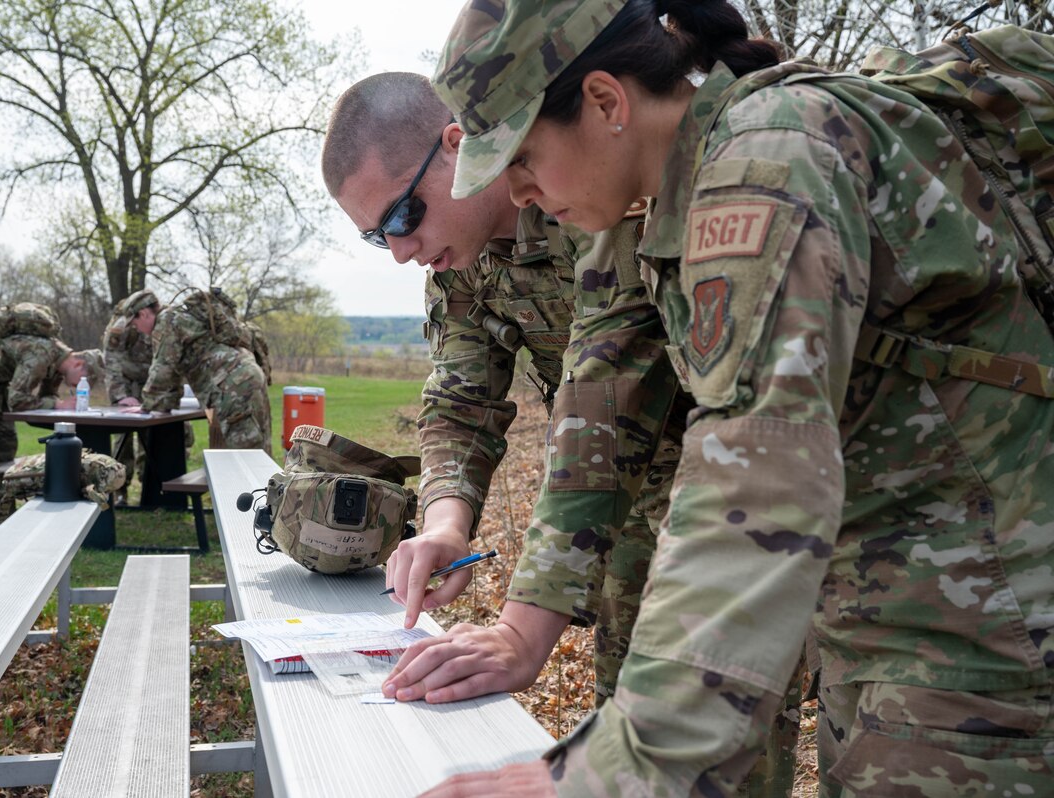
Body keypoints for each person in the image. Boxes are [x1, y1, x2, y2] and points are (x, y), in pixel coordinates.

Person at [390, 1, 1054, 795]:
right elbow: (594, 408)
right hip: (891, 629)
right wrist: (523, 626)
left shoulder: (763, 162)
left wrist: (603, 773)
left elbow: (759, 477)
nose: (522, 194)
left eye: (526, 157)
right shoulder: (660, 203)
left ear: (605, 102)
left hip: (981, 643)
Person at [322, 71, 685, 705]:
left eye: (404, 215)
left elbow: (604, 397)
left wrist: (520, 630)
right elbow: (462, 404)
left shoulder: (588, 198)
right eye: (378, 236)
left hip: (718, 497)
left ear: (458, 146)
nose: (402, 251)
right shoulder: (460, 260)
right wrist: (444, 526)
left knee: (716, 733)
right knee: (629, 714)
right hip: (615, 512)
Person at [0, 321, 94, 531]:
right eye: (84, 380)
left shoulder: (56, 362)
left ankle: (4, 515)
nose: (80, 386)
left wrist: (56, 403)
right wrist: (59, 404)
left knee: (6, 444)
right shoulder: (41, 354)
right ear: (78, 364)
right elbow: (18, 400)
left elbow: (44, 396)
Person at [137, 287, 272, 454]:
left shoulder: (166, 321)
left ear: (143, 314)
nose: (137, 329)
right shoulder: (183, 315)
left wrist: (146, 407)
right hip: (248, 373)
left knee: (244, 456)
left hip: (231, 387)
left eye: (135, 323)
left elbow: (163, 368)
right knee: (261, 450)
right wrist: (165, 404)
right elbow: (173, 374)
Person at [101, 288, 194, 501]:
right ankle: (119, 489)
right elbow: (111, 362)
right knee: (123, 435)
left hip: (156, 379)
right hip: (127, 382)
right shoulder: (121, 328)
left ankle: (152, 489)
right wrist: (120, 396)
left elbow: (171, 362)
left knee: (160, 430)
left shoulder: (167, 322)